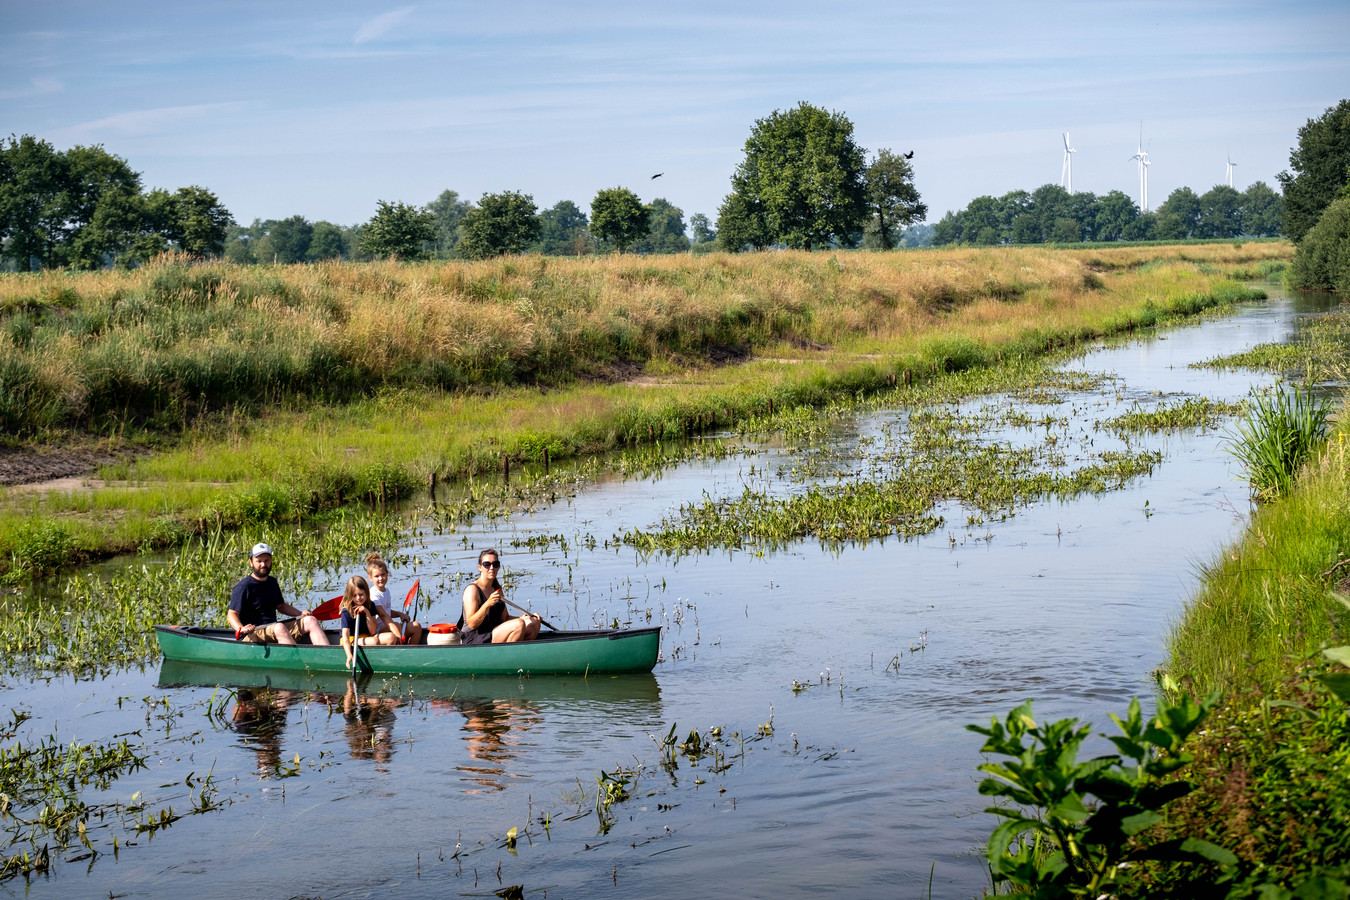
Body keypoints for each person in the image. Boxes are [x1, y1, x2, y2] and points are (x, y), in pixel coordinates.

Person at [228, 543, 331, 646]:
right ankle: (297, 660)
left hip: (273, 629)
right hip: (252, 635)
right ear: (251, 562)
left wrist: (301, 614)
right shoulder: (243, 586)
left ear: (270, 561)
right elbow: (232, 614)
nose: (263, 564)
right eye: (259, 561)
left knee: (310, 620)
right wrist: (241, 628)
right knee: (279, 627)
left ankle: (326, 656)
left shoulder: (272, 582)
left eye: (266, 561)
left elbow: (281, 606)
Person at [458, 548, 540, 644]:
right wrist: (487, 604)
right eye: (487, 564)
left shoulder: (497, 588)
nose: (491, 568)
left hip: (493, 632)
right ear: (480, 567)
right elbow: (472, 624)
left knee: (533, 623)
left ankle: (521, 653)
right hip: (474, 637)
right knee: (519, 624)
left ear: (498, 567)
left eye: (495, 564)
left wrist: (525, 617)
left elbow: (505, 618)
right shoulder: (472, 590)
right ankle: (508, 656)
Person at [340, 575, 402, 669]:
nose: (358, 598)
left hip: (367, 636)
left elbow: (372, 631)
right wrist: (349, 655)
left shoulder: (370, 605)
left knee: (391, 637)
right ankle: (377, 663)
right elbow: (345, 637)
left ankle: (386, 661)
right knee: (373, 641)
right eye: (354, 595)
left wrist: (367, 613)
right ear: (350, 595)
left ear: (366, 593)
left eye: (361, 594)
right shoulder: (346, 611)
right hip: (352, 639)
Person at [365, 552, 423, 645]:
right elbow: (383, 615)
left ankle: (410, 652)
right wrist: (397, 633)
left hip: (389, 626)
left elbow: (387, 611)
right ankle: (399, 647)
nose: (381, 578)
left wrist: (400, 614)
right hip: (378, 631)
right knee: (395, 625)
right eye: (376, 576)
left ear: (387, 574)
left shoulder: (386, 591)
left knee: (416, 626)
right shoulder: (373, 595)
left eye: (383, 574)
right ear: (370, 578)